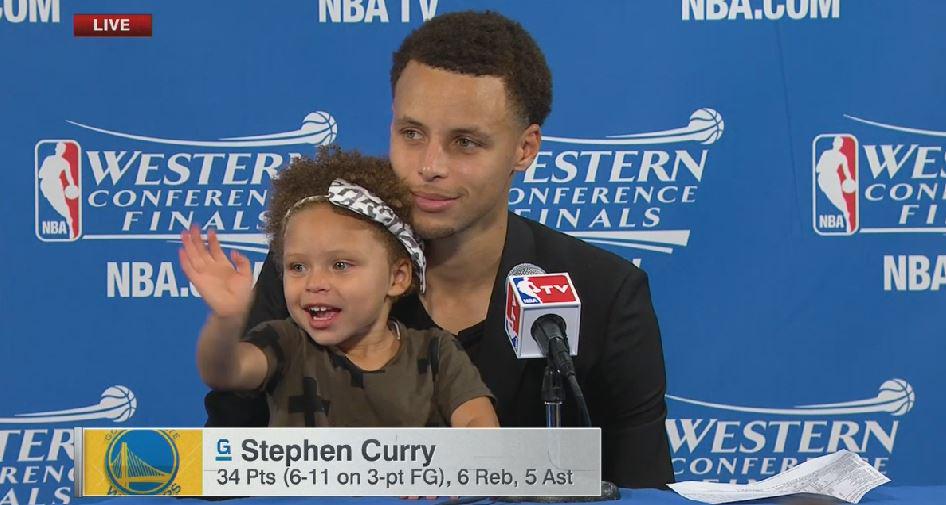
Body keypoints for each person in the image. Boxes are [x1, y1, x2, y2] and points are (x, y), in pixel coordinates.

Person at [206, 10, 674, 488]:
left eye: (465, 142)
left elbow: (644, 488)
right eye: (411, 133)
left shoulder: (605, 294)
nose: (429, 166)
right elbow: (223, 466)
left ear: (525, 148)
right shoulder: (311, 274)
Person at [183, 147, 497, 428]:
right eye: (298, 267)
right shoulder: (285, 344)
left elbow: (478, 423)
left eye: (340, 265)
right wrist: (226, 321)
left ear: (396, 278)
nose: (315, 283)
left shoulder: (436, 352)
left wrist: (450, 474)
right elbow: (224, 371)